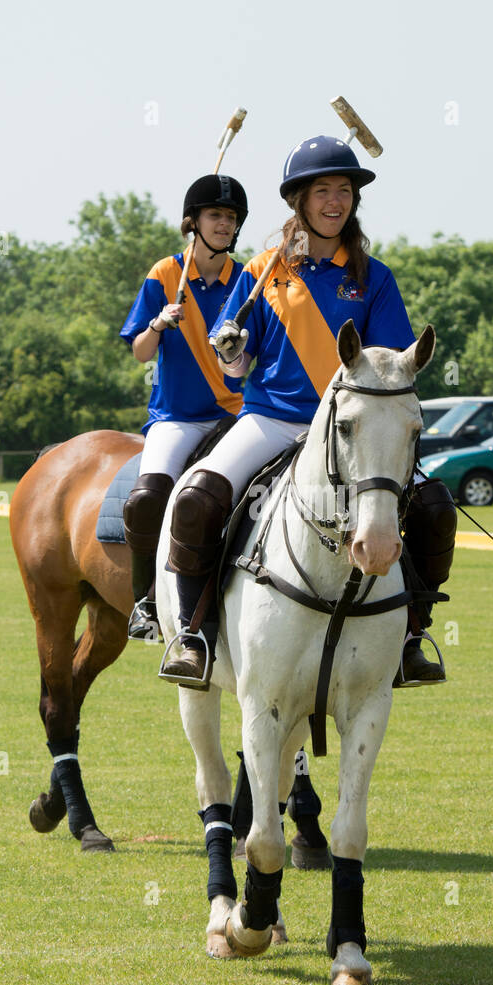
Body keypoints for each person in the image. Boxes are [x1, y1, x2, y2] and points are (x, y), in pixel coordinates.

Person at [160, 135, 457, 686]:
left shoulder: (374, 277)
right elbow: (238, 366)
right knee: (199, 496)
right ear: (299, 201)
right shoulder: (260, 272)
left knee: (435, 506)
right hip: (273, 419)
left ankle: (413, 634)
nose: (335, 201)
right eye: (322, 190)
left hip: (350, 432)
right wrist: (231, 348)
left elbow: (391, 365)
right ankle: (193, 633)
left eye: (344, 190)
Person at [119, 174, 248, 639]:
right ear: (192, 222)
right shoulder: (164, 275)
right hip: (175, 417)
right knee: (148, 497)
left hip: (236, 413)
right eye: (215, 215)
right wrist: (157, 322)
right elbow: (140, 352)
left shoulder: (247, 279)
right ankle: (147, 602)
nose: (223, 225)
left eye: (231, 218)